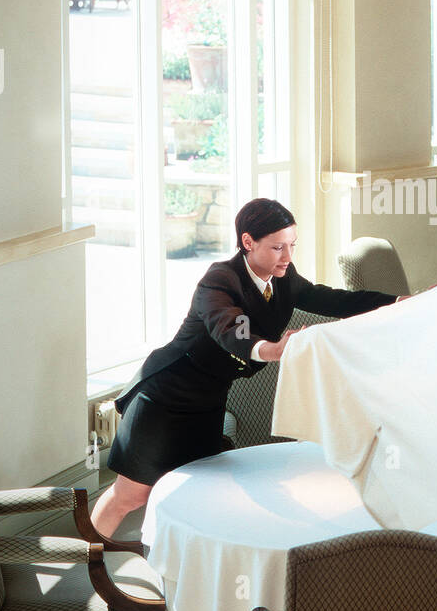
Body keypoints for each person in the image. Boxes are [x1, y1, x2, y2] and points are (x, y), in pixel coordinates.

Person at [90, 198, 402, 538]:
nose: (287, 257)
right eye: (278, 247)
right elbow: (231, 328)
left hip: (207, 402)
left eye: (292, 246)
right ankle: (91, 561)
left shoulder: (282, 276)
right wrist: (272, 350)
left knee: (197, 489)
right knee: (131, 496)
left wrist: (398, 302)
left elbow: (330, 299)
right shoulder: (220, 280)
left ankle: (188, 569)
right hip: (165, 398)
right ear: (248, 242)